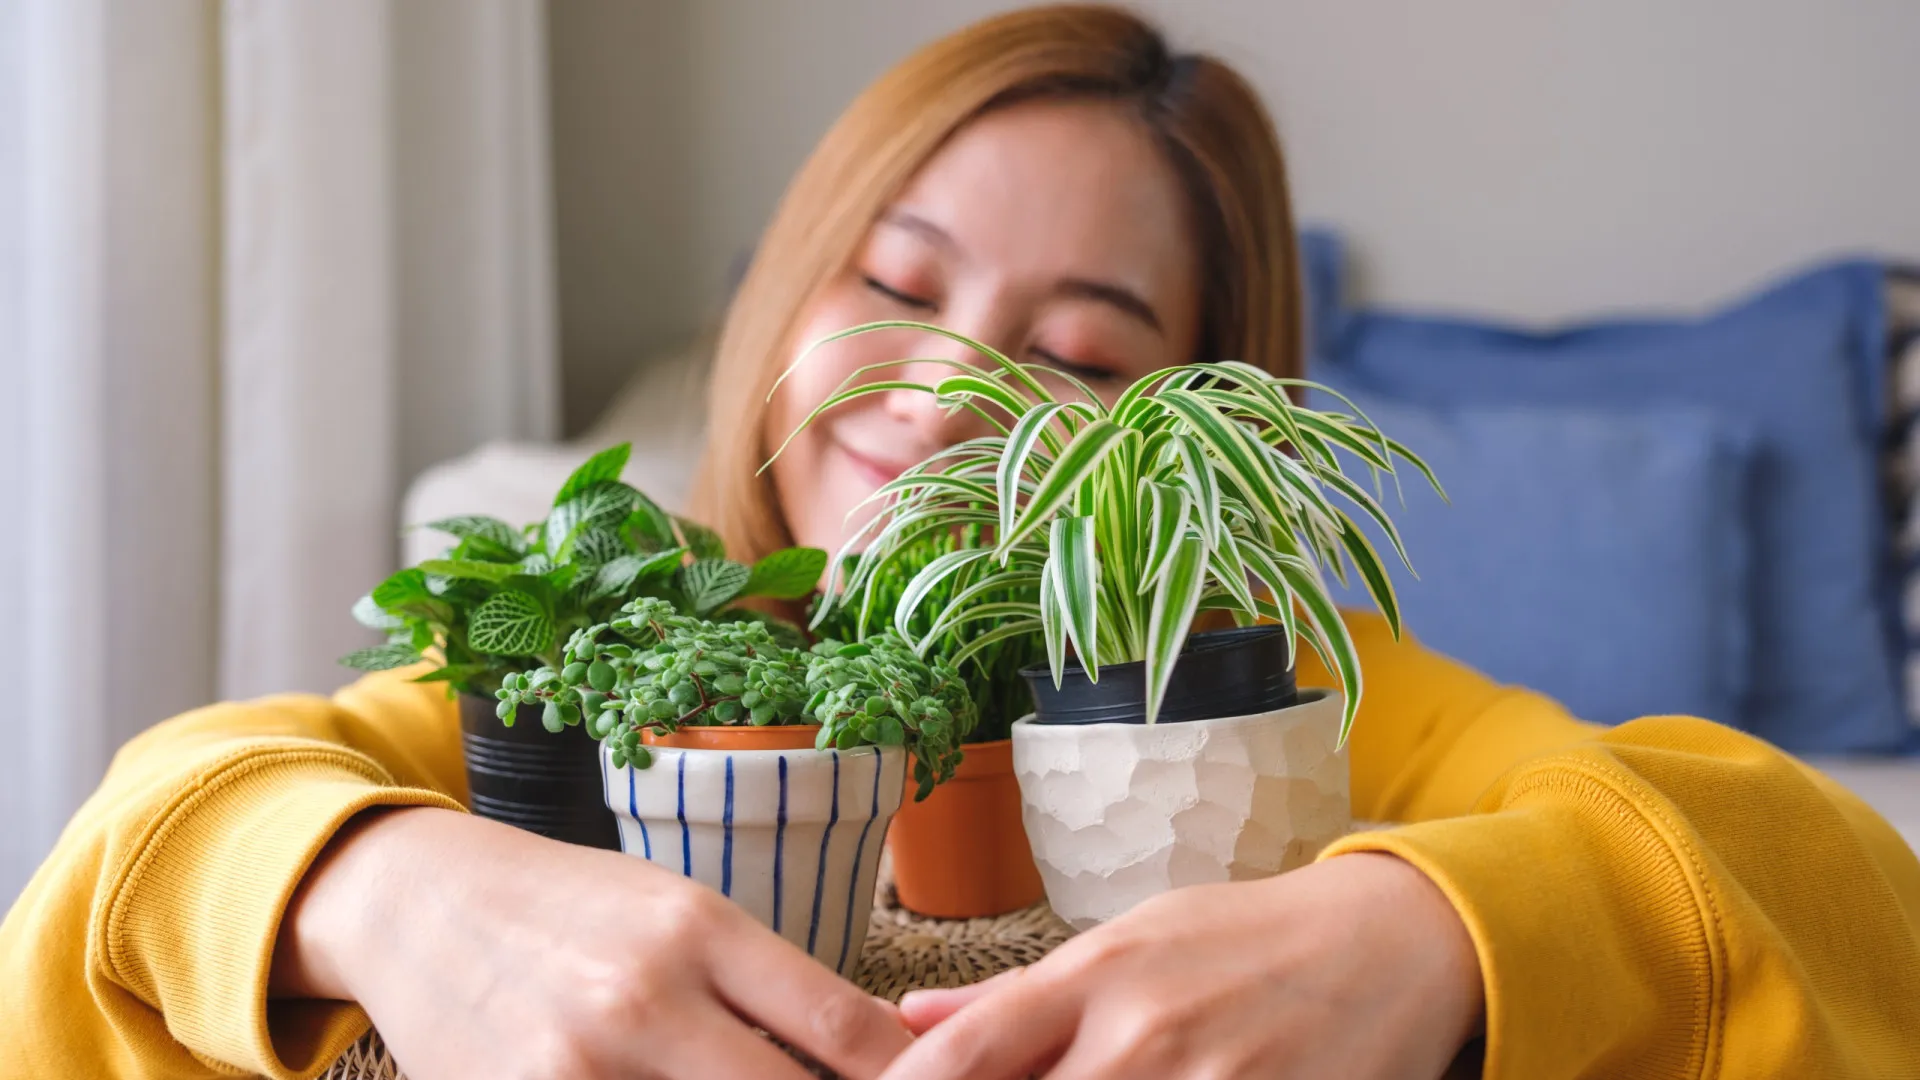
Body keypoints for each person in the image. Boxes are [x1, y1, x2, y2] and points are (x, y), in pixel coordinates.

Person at [5, 5, 1917, 1078]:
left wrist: (1432, 930)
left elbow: (1827, 884)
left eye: (1083, 349)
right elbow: (134, 854)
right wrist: (389, 887)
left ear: (1202, 430)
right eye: (898, 283)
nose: (953, 388)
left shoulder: (1309, 709)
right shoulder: (630, 653)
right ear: (777, 299)